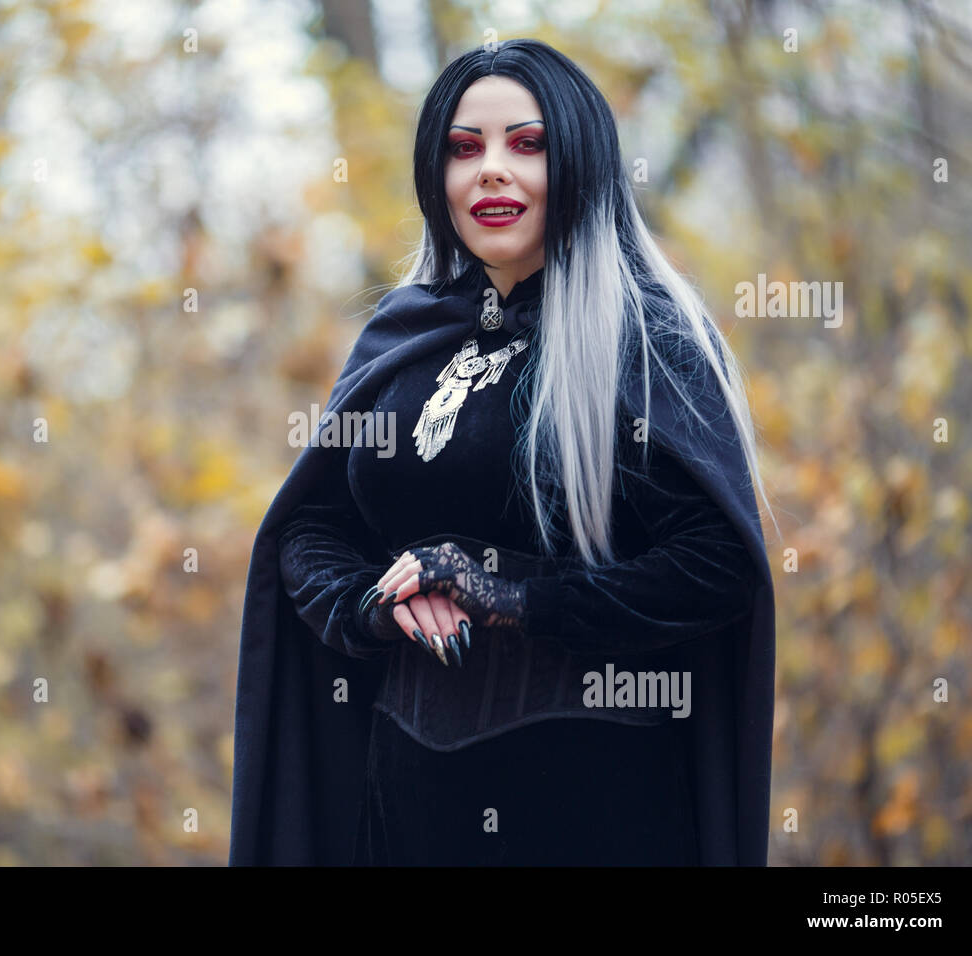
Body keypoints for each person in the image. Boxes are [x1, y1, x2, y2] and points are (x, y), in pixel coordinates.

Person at [229, 39, 777, 866]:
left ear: (583, 163)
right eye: (463, 148)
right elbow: (308, 532)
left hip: (596, 803)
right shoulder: (404, 342)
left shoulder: (649, 340)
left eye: (527, 144)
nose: (490, 170)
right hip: (405, 801)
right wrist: (375, 604)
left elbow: (716, 567)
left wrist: (508, 593)